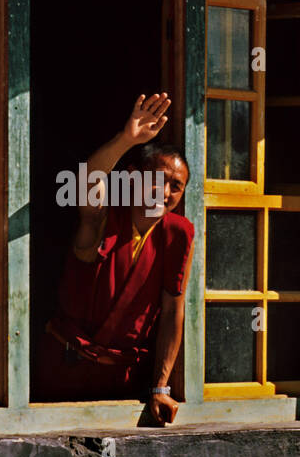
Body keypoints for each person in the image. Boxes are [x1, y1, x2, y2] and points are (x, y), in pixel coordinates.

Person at [39, 93, 194, 425]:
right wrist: (127, 139)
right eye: (157, 179)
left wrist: (160, 386)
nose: (165, 193)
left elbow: (172, 312)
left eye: (176, 186)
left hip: (124, 382)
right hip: (66, 370)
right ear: (133, 176)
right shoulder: (104, 219)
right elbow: (85, 188)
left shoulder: (178, 234)